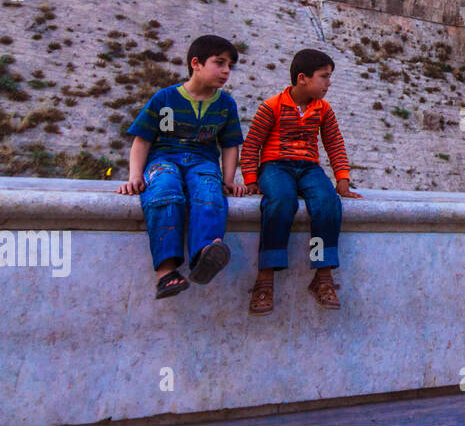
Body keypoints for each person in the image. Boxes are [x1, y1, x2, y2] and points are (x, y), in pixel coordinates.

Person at [117, 35, 246, 298]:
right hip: (164, 159)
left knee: (209, 193)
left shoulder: (225, 105)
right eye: (219, 63)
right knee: (165, 191)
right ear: (196, 63)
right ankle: (166, 272)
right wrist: (135, 176)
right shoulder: (165, 99)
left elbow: (230, 145)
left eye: (230, 66)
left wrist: (229, 180)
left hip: (203, 161)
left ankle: (204, 254)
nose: (225, 71)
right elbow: (143, 139)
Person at [241, 48, 362, 315]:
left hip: (308, 168)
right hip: (275, 166)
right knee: (281, 202)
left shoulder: (323, 109)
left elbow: (334, 144)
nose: (329, 84)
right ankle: (265, 278)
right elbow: (252, 146)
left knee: (327, 203)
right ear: (302, 79)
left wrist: (342, 178)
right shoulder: (271, 106)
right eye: (324, 77)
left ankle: (322, 273)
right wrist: (250, 179)